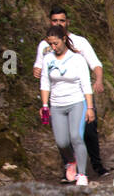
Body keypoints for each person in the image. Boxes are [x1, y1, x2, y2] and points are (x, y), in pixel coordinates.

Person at [33, 6, 108, 177]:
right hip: (57, 95)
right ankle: (69, 166)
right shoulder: (44, 46)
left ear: (67, 22)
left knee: (88, 129)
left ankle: (96, 165)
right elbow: (39, 69)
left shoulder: (80, 42)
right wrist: (37, 71)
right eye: (55, 21)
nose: (58, 23)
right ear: (50, 21)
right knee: (62, 135)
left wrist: (99, 79)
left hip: (80, 94)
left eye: (61, 20)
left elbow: (95, 64)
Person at [39, 25, 94, 186]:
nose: (53, 47)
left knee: (76, 137)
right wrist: (44, 105)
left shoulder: (77, 59)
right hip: (56, 105)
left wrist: (89, 107)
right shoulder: (48, 59)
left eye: (56, 43)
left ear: (64, 39)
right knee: (62, 142)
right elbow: (45, 83)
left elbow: (86, 84)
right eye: (51, 44)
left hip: (77, 102)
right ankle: (71, 161)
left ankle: (82, 174)